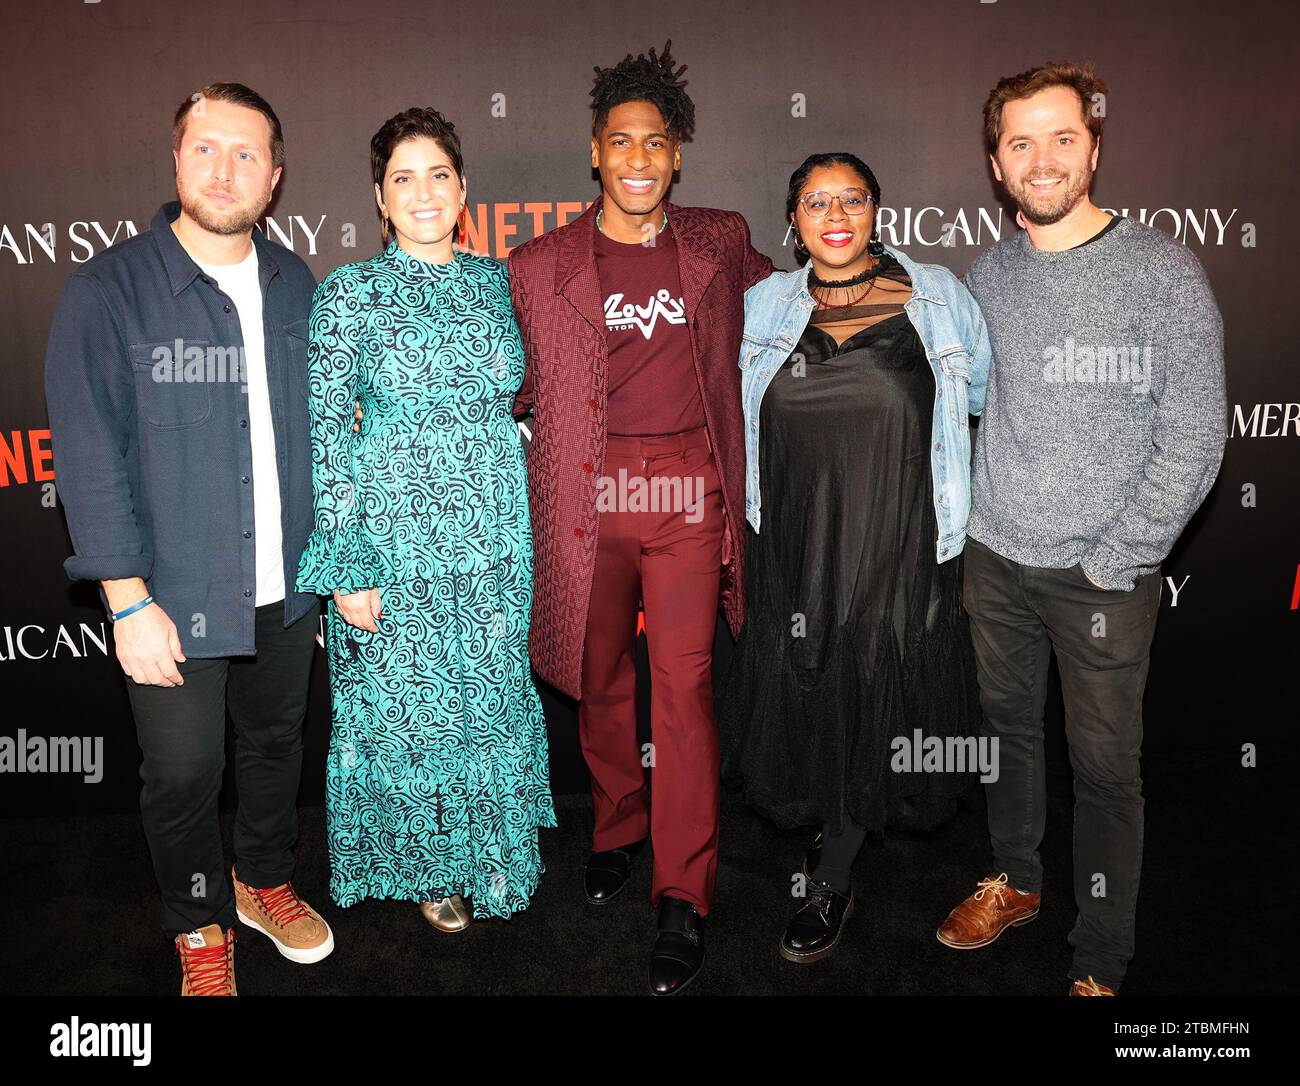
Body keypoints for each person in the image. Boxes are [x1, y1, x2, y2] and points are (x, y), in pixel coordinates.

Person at [934, 61, 1227, 996]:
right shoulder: (989, 274)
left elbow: (1194, 437)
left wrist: (1117, 559)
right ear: (997, 164)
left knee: (1104, 771)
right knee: (1008, 736)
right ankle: (1017, 881)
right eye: (1021, 143)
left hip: (1101, 578)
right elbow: (978, 404)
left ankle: (1099, 960)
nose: (1043, 158)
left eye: (1062, 137)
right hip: (996, 558)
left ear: (1094, 146)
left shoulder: (1163, 272)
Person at [44, 83, 332, 995]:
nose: (225, 168)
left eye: (246, 153)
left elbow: (323, 437)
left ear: (276, 176)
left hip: (285, 586)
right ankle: (199, 924)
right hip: (171, 593)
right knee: (182, 775)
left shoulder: (298, 286)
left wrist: (329, 573)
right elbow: (88, 460)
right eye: (206, 148)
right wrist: (126, 602)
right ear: (175, 160)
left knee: (276, 746)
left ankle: (262, 881)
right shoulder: (107, 292)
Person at [507, 41, 773, 995]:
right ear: (594, 152)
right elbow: (515, 386)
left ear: (677, 155)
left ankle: (684, 891)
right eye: (620, 141)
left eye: (655, 142)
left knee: (686, 688)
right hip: (586, 496)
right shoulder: (536, 266)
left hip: (688, 493)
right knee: (598, 671)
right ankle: (618, 823)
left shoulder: (720, 242)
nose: (637, 159)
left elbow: (787, 314)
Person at [718, 154, 990, 963]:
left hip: (899, 538)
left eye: (853, 199)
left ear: (877, 211)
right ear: (792, 220)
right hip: (795, 539)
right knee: (812, 676)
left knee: (875, 680)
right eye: (815, 201)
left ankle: (835, 868)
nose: (835, 215)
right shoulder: (758, 306)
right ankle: (831, 834)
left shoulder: (939, 298)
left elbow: (977, 406)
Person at [297, 108, 555, 933]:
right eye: (402, 177)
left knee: (488, 688)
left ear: (464, 187)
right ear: (379, 196)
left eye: (438, 174)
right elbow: (329, 432)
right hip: (393, 530)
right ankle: (432, 863)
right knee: (412, 701)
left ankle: (495, 849)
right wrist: (347, 565)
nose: (423, 192)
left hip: (492, 526)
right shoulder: (349, 294)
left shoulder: (501, 282)